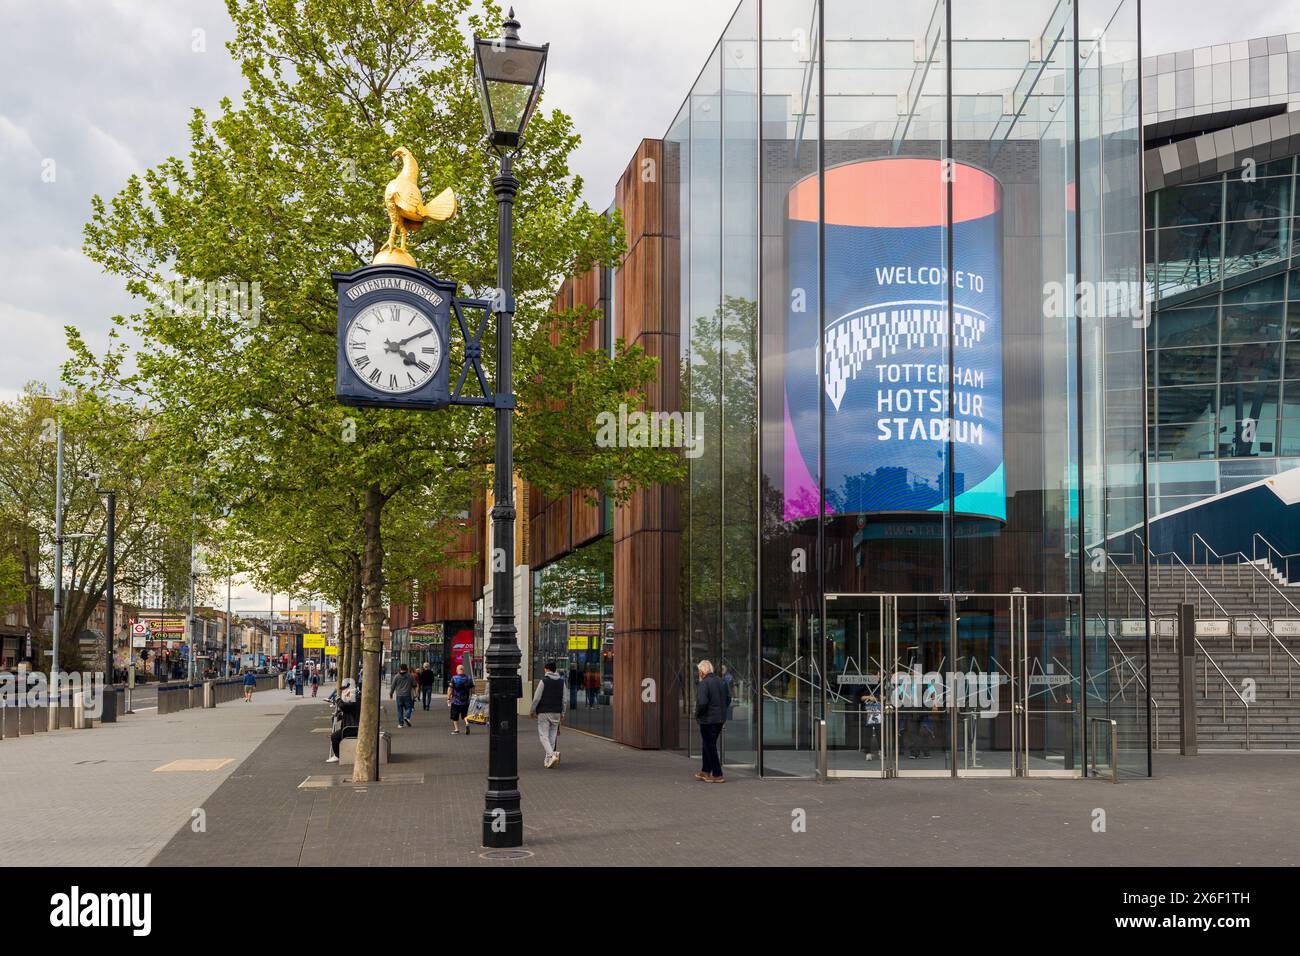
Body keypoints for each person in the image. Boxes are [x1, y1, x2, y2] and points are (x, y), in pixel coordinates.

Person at [694, 659, 728, 783]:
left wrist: (697, 714)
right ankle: (705, 771)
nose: (699, 674)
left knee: (710, 746)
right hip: (719, 719)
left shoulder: (704, 684)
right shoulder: (721, 682)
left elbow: (702, 703)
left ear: (702, 672)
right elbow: (728, 699)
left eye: (699, 671)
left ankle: (718, 774)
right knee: (707, 745)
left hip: (708, 720)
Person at [529, 660, 568, 768]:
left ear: (546, 669)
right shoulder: (562, 682)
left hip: (544, 712)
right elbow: (564, 699)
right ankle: (548, 760)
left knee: (543, 735)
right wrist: (563, 712)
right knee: (552, 736)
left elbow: (536, 698)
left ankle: (552, 754)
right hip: (556, 712)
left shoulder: (544, 681)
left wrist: (532, 710)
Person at [326, 679, 360, 763]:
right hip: (350, 727)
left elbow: (344, 706)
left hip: (352, 728)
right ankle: (338, 754)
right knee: (336, 734)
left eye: (347, 693)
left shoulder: (354, 701)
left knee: (334, 737)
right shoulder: (353, 700)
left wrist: (338, 700)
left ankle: (337, 755)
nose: (345, 695)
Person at [447, 664, 473, 735]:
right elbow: (472, 688)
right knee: (465, 715)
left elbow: (450, 689)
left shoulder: (454, 678)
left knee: (455, 716)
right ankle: (467, 723)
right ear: (463, 670)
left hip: (456, 701)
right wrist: (471, 696)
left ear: (457, 670)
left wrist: (449, 698)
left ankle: (456, 729)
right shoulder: (468, 678)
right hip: (465, 701)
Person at [390, 663, 416, 728]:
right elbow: (414, 684)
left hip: (399, 695)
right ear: (406, 668)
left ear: (400, 668)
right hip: (407, 695)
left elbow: (393, 686)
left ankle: (400, 724)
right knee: (409, 707)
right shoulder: (410, 676)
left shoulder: (396, 676)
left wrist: (391, 694)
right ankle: (407, 717)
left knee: (399, 710)